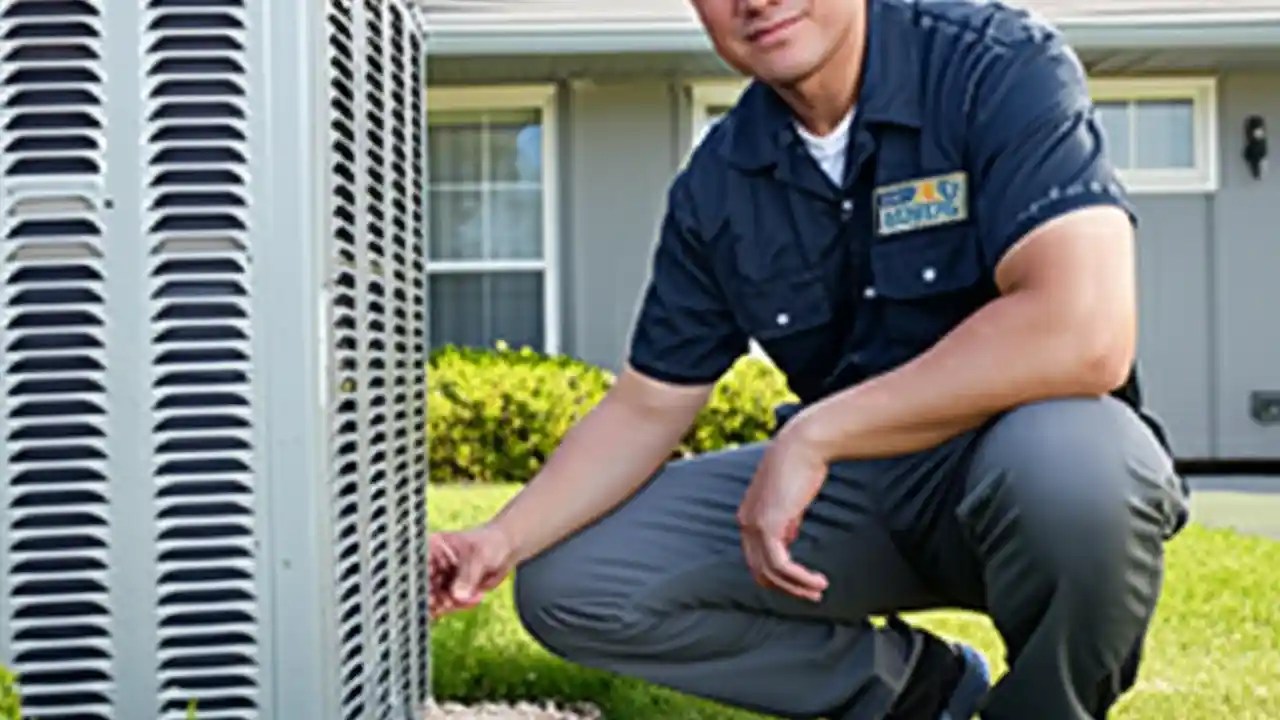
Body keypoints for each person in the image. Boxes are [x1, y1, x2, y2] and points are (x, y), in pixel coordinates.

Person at [427, 0, 1192, 717]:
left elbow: (1082, 331)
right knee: (573, 582)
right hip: (857, 499)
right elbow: (648, 404)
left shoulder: (994, 66)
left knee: (1084, 471)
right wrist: (500, 538)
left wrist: (817, 433)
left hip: (1020, 469)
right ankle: (919, 693)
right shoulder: (720, 182)